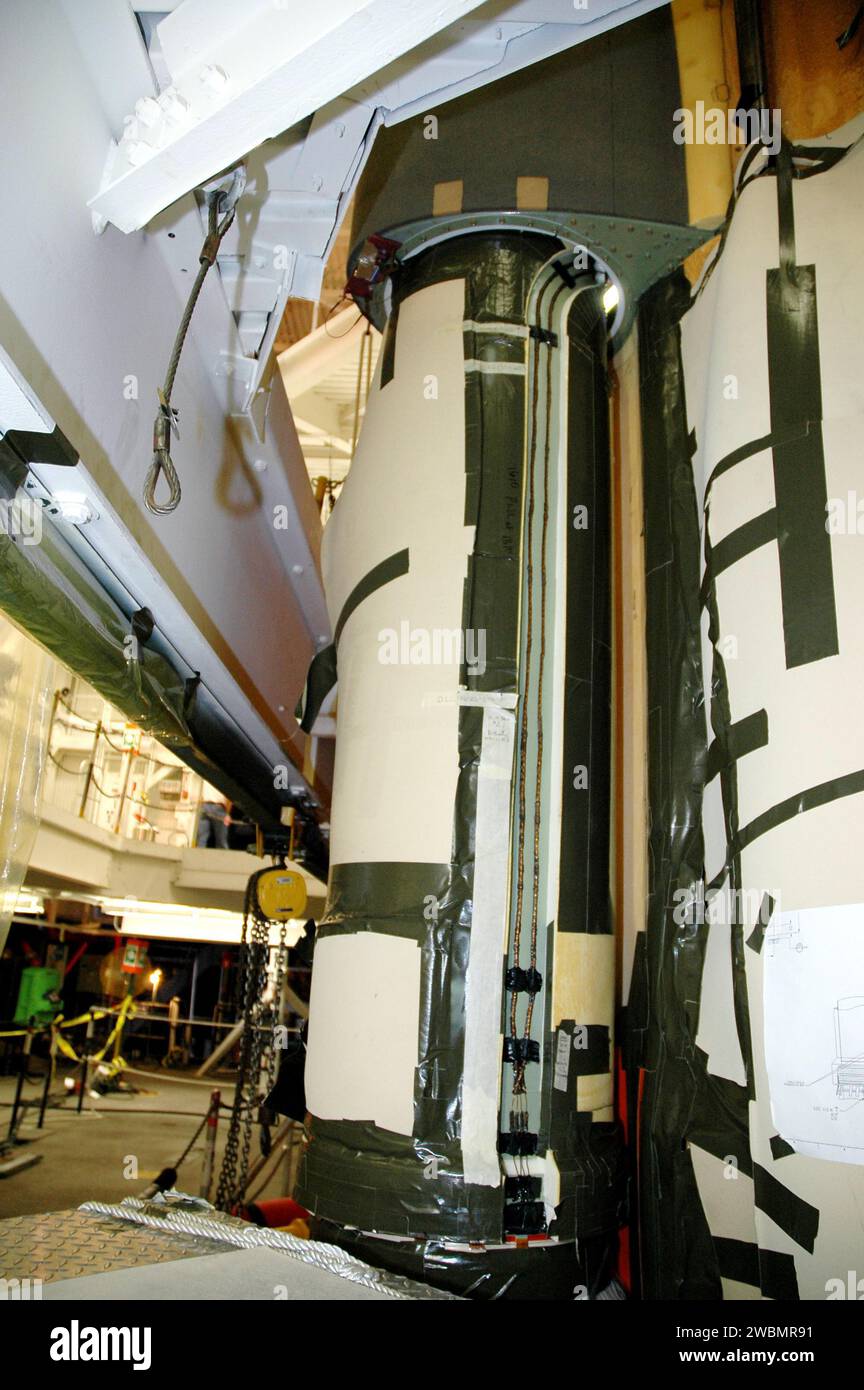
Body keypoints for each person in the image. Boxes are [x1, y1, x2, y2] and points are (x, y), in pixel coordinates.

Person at [196, 784, 231, 848]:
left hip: (218, 807)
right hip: (204, 806)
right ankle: (198, 856)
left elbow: (230, 796)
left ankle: (223, 857)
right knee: (201, 837)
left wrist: (227, 813)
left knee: (221, 838)